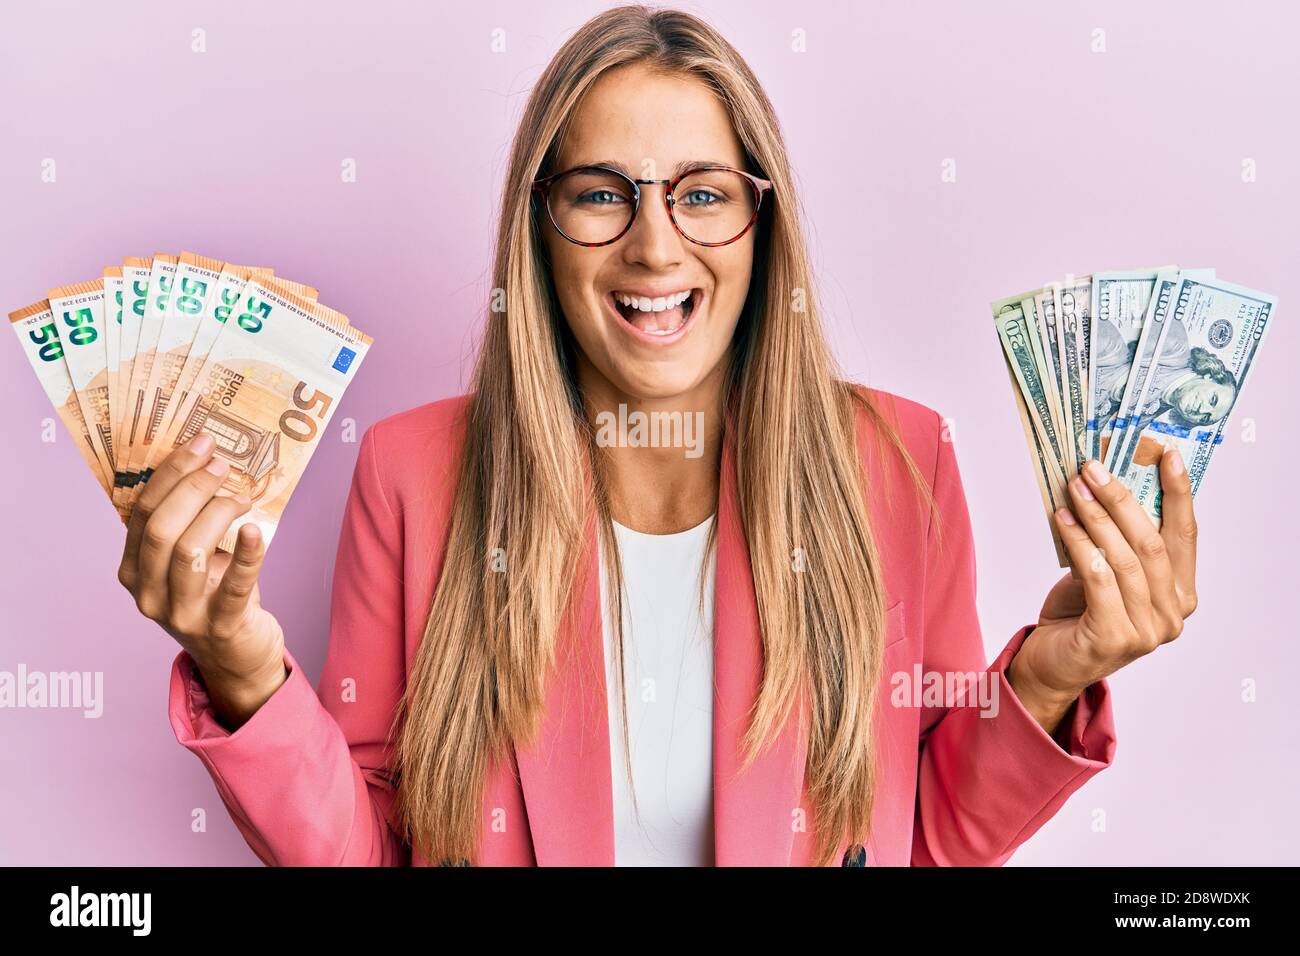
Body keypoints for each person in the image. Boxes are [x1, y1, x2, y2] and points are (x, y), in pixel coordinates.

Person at [116, 5, 1199, 867]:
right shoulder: (412, 475)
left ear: (760, 222)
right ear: (538, 229)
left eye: (702, 194)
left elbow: (931, 840)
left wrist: (1054, 675)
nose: (653, 244)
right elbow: (364, 850)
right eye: (600, 195)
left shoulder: (900, 461)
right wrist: (244, 669)